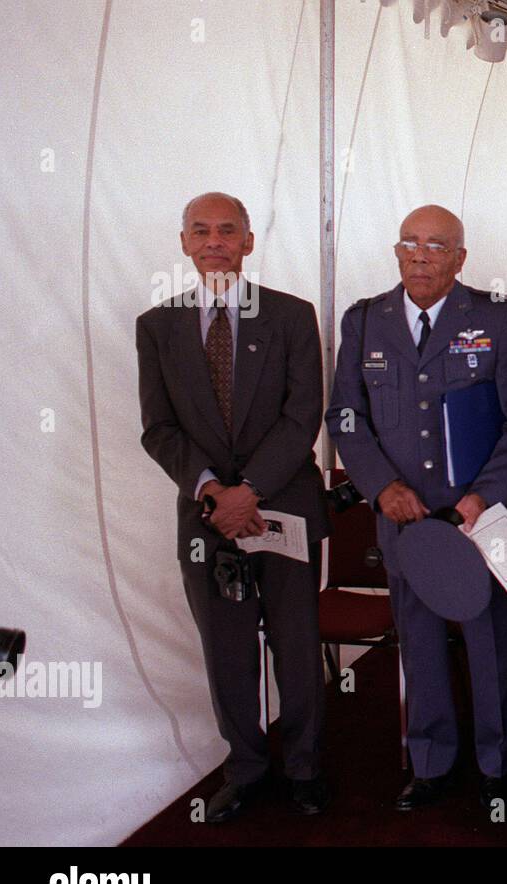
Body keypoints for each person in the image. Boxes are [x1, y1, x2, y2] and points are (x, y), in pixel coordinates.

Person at [325, 205, 507, 815]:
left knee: (490, 642)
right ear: (396, 251)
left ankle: (497, 764)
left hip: (477, 517)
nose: (420, 255)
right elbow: (346, 417)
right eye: (410, 243)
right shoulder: (365, 323)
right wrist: (381, 487)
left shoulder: (495, 319)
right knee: (418, 640)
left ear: (460, 258)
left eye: (437, 246)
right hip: (404, 521)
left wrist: (482, 495)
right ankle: (432, 761)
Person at [136, 192, 330, 822]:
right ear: (185, 242)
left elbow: (304, 415)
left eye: (227, 231)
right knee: (227, 649)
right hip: (207, 517)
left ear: (249, 242)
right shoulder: (157, 327)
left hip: (286, 507)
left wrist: (252, 491)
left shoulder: (293, 316)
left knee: (297, 646)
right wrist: (217, 493)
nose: (214, 241)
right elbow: (158, 428)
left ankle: (304, 767)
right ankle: (245, 768)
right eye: (201, 231)